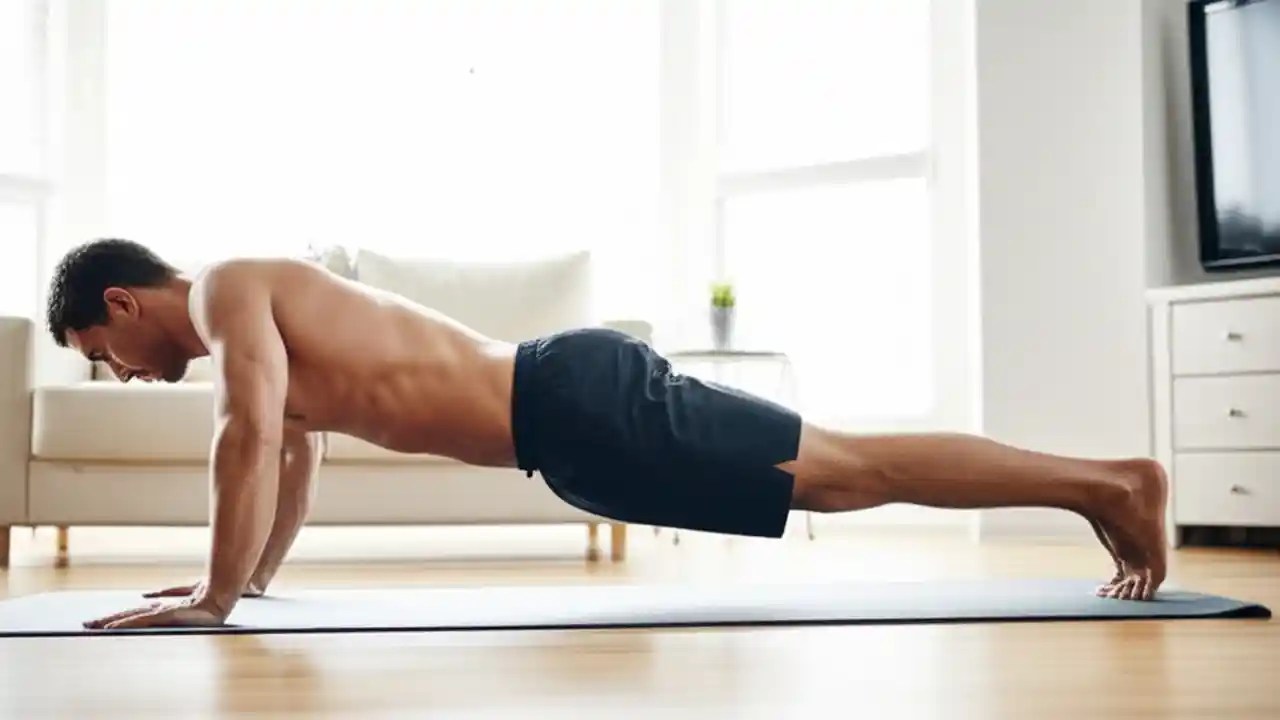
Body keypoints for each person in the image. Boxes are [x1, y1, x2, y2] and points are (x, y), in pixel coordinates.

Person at [45, 239, 1168, 630]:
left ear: (124, 303)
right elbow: (290, 455)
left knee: (847, 470)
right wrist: (252, 582)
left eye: (101, 350)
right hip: (573, 442)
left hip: (574, 401)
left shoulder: (234, 286)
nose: (116, 370)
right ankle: (1094, 488)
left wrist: (212, 594)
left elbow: (243, 439)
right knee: (835, 482)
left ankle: (1105, 484)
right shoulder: (256, 344)